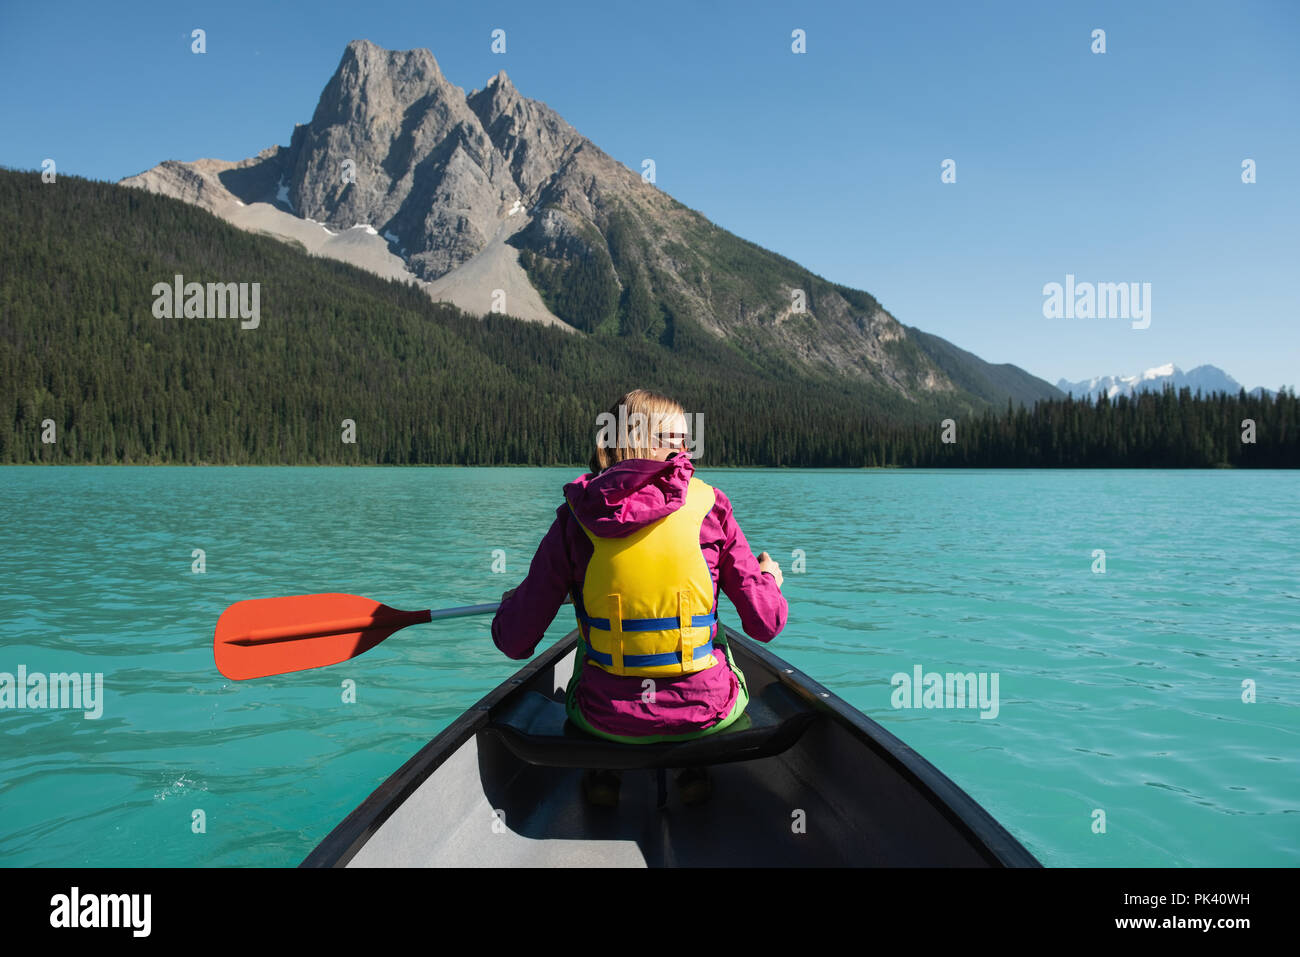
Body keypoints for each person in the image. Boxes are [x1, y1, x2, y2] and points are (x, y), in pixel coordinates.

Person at [490, 388, 788, 807]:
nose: (688, 451)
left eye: (689, 440)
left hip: (604, 718)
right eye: (677, 441)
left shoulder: (575, 518)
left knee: (588, 644)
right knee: (715, 638)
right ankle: (691, 768)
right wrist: (769, 579)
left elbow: (514, 641)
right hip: (706, 714)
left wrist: (514, 603)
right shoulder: (713, 507)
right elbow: (765, 623)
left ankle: (604, 772)